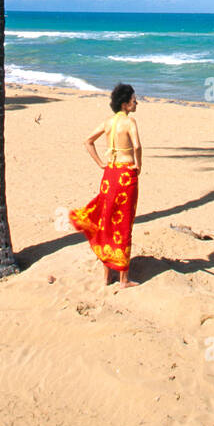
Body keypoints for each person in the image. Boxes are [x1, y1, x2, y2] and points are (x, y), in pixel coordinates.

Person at [69, 83, 142, 288]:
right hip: (126, 175)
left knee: (108, 220)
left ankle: (106, 276)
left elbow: (88, 141)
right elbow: (136, 145)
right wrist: (139, 164)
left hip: (110, 174)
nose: (137, 102)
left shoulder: (108, 122)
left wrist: (101, 163)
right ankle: (124, 279)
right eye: (134, 100)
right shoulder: (129, 122)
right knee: (124, 222)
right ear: (126, 104)